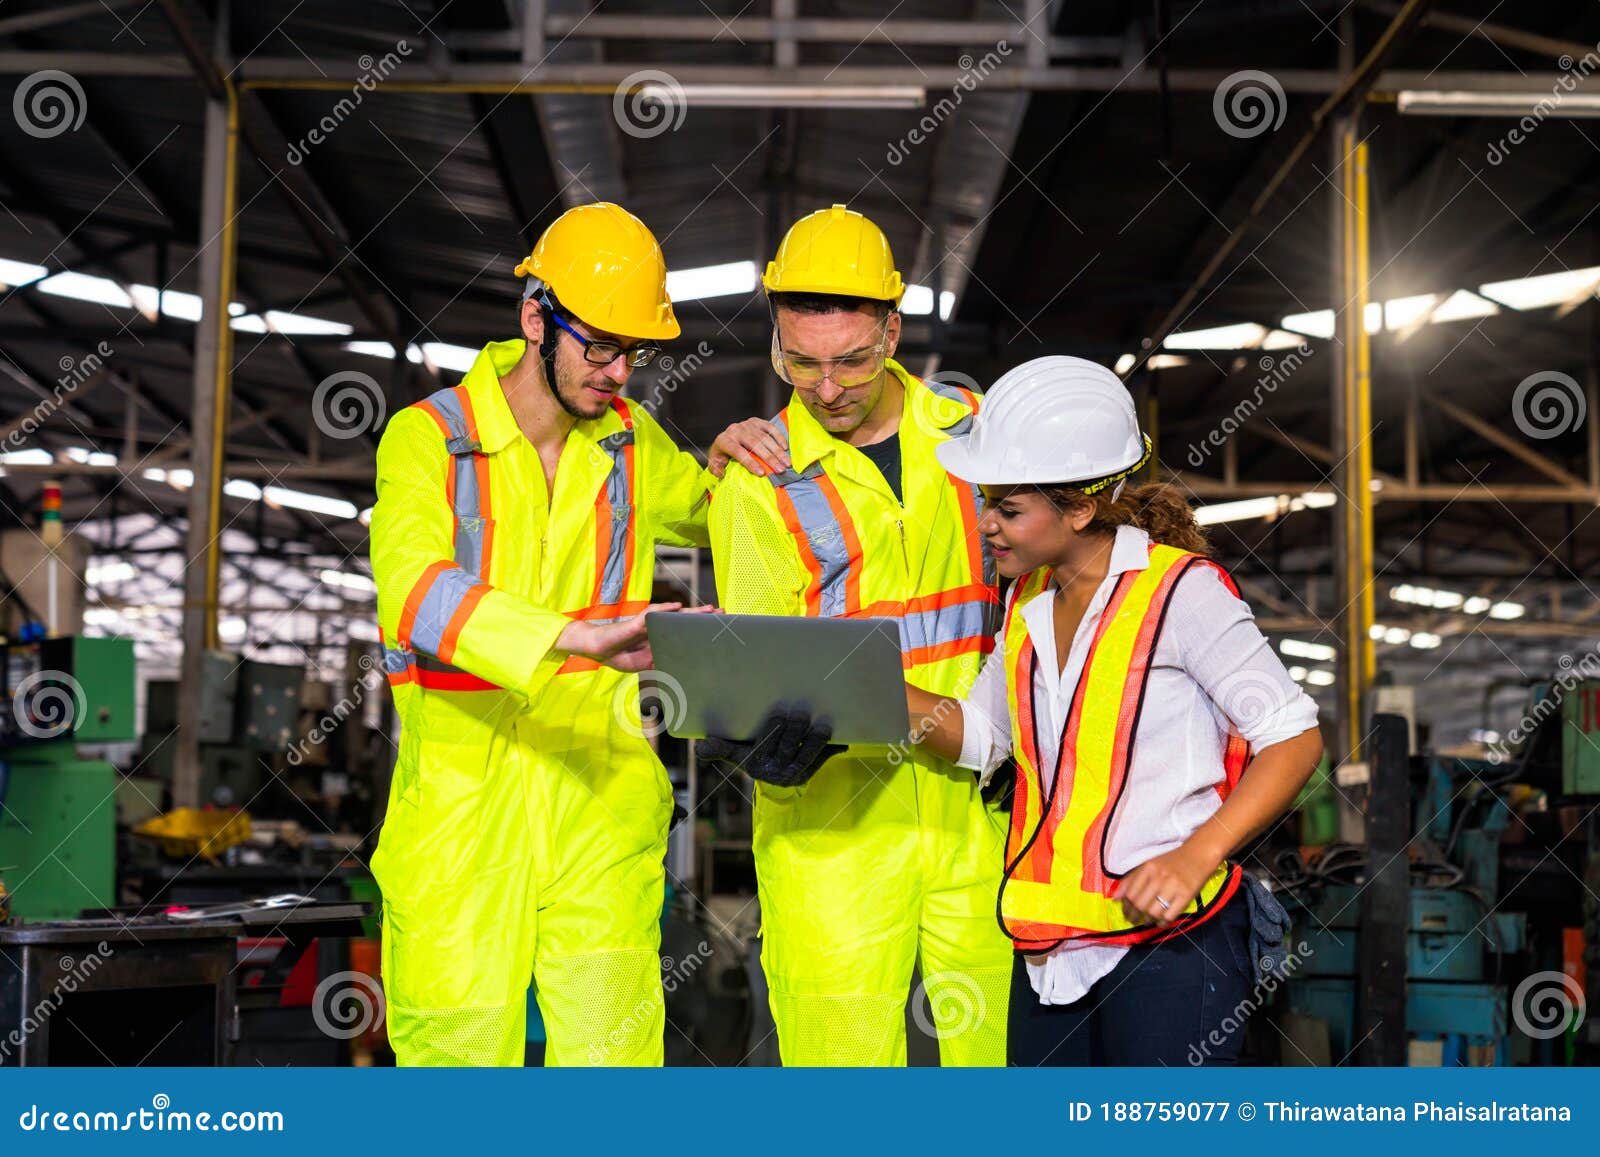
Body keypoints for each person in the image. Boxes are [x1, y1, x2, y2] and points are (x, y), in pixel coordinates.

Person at [370, 202, 753, 1066]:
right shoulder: (430, 439)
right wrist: (571, 640)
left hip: (599, 808)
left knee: (612, 1072)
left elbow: (726, 517)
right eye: (602, 347)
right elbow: (415, 592)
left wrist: (749, 460)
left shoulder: (629, 443)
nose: (619, 373)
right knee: (457, 1076)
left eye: (634, 353)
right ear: (535, 320)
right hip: (461, 820)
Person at [905, 355, 1323, 1067]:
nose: (987, 525)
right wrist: (856, 678)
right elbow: (984, 738)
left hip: (1174, 942)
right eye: (986, 503)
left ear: (1079, 508)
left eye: (1008, 509)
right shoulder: (1027, 601)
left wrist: (1196, 855)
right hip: (1049, 943)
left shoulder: (1182, 592)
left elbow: (1293, 738)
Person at [701, 204, 1012, 1066]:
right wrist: (751, 735)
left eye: (852, 361)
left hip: (982, 808)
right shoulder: (755, 480)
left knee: (1001, 1066)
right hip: (830, 830)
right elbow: (756, 663)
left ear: (893, 332)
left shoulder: (976, 432)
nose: (827, 388)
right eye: (800, 362)